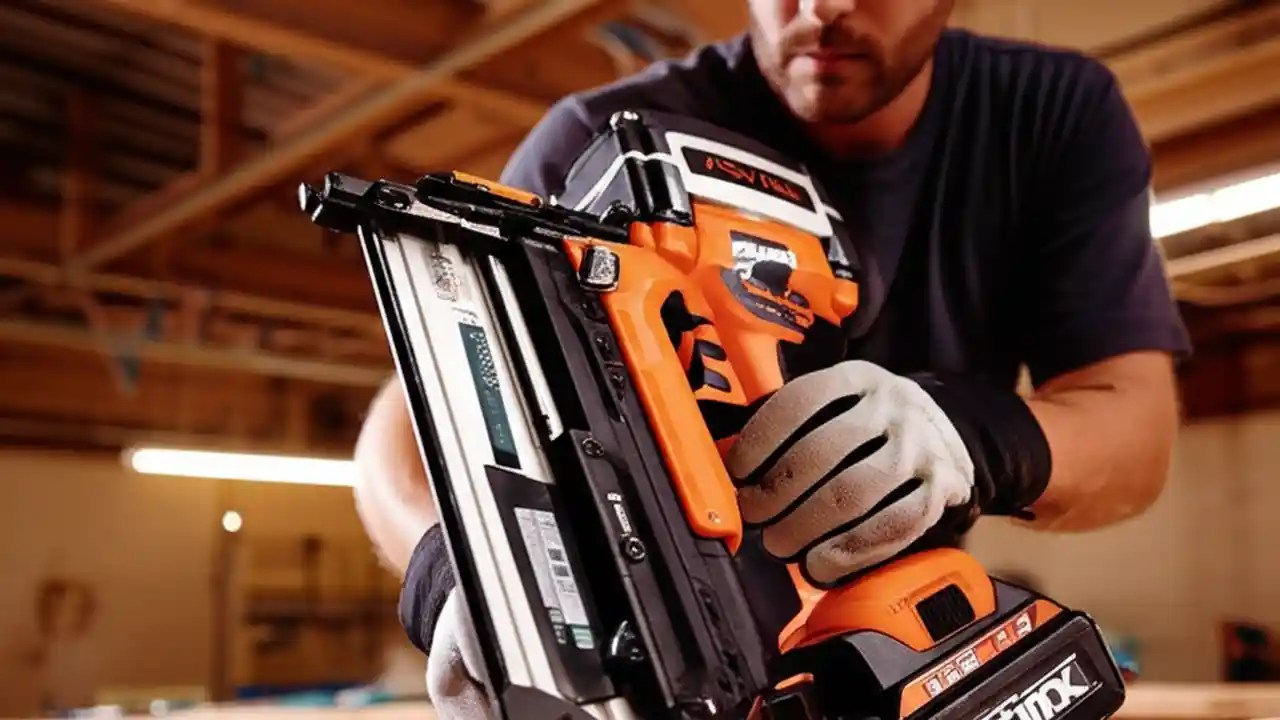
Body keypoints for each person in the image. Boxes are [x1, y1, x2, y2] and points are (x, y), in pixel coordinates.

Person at [354, 0, 1191, 715]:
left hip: (896, 646)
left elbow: (1132, 424)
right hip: (665, 659)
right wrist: (467, 567)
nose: (822, 6)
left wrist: (965, 437)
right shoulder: (599, 148)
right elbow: (411, 421)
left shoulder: (1049, 114)